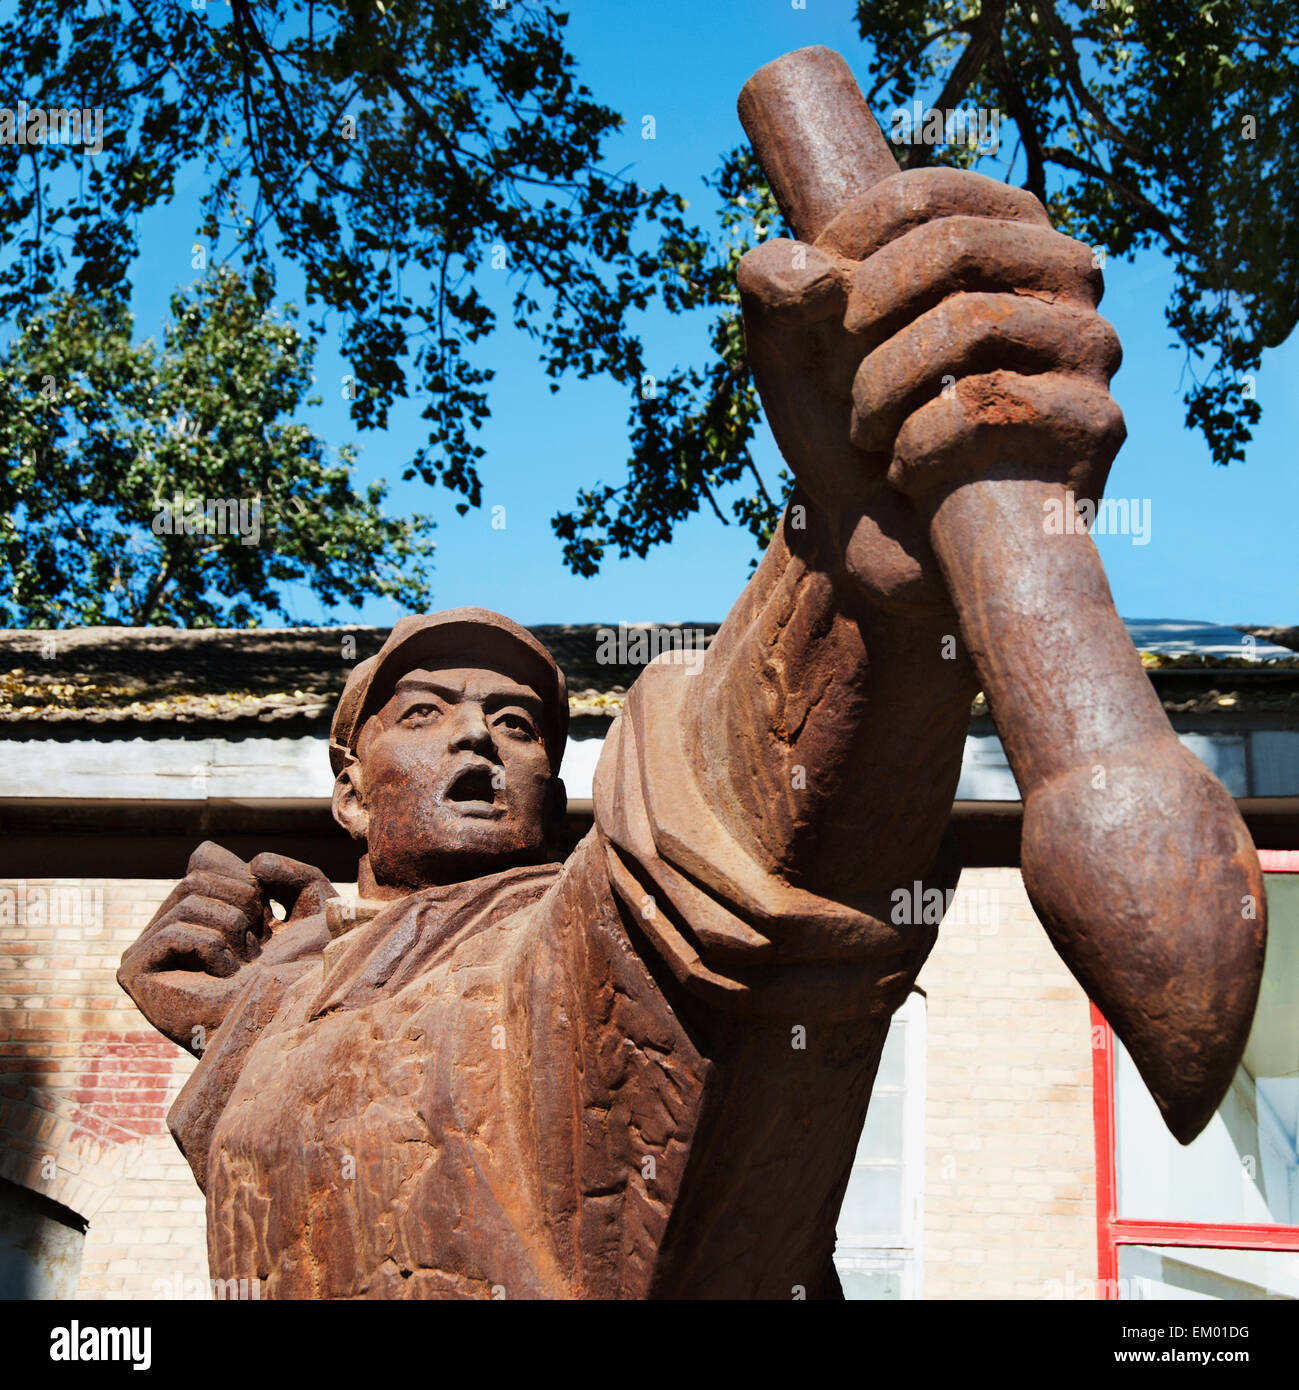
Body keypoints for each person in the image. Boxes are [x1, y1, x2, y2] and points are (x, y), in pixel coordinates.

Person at [119, 165, 1126, 1298]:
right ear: (349, 794)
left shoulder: (560, 938)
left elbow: (738, 835)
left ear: (555, 792)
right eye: (424, 712)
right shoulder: (298, 984)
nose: (477, 741)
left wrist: (853, 539)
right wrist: (242, 1009)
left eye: (514, 722)